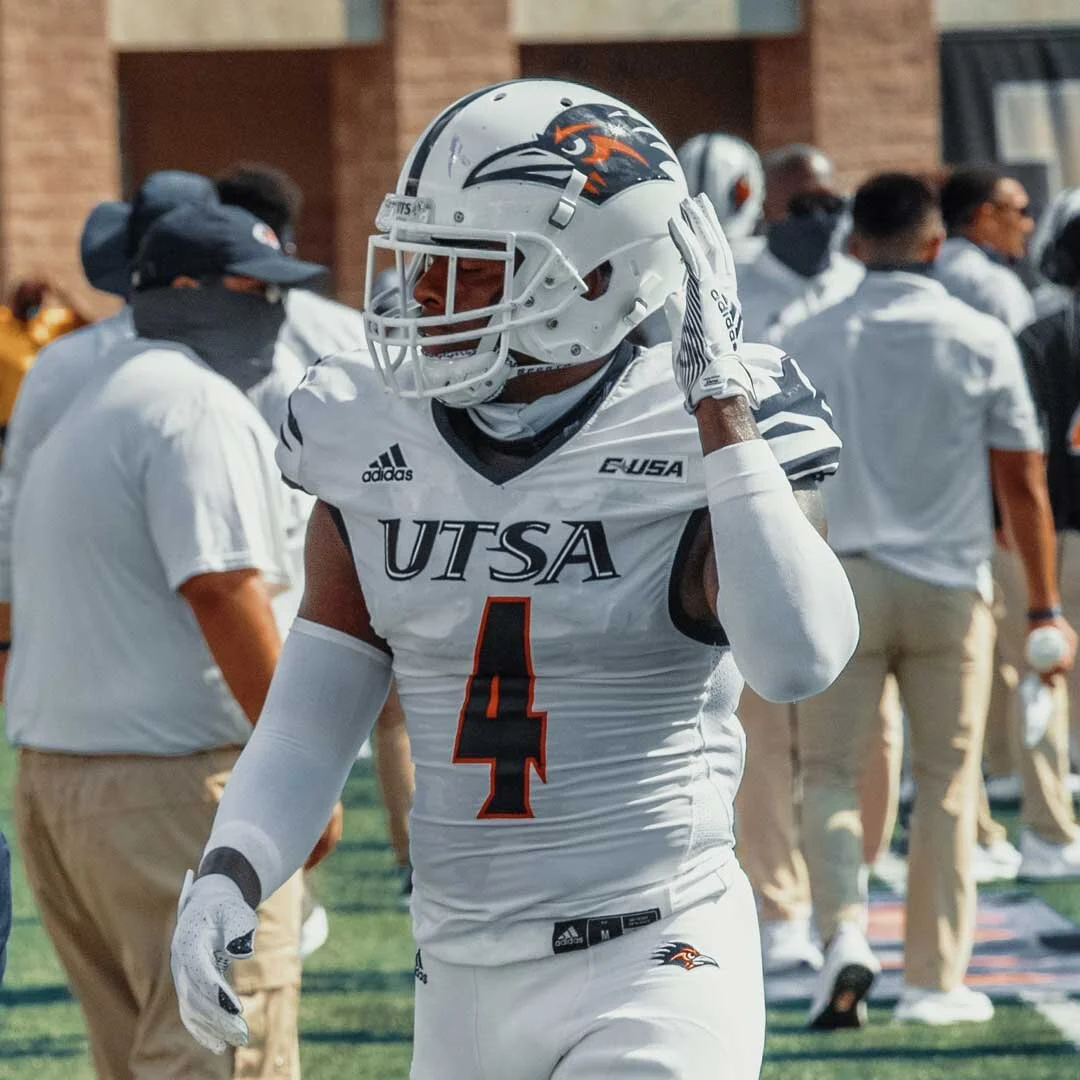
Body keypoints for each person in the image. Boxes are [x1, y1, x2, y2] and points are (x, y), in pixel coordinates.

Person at [170, 78, 858, 1079]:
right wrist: (230, 871)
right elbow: (316, 710)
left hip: (659, 950)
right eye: (420, 262)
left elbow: (800, 659)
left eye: (466, 270)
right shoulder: (367, 430)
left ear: (594, 281)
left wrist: (723, 411)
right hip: (458, 969)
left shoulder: (697, 422)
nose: (420, 299)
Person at [8, 201, 334, 1079]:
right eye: (252, 287)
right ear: (187, 290)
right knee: (214, 1054)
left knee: (142, 1057)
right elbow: (222, 588)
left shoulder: (100, 394)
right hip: (173, 791)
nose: (273, 307)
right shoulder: (193, 407)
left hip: (67, 785)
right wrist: (296, 774)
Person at [778, 172, 1075, 1028]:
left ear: (855, 241)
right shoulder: (981, 334)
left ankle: (841, 932)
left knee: (828, 775)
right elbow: (1022, 482)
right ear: (937, 242)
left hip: (841, 579)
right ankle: (935, 978)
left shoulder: (806, 334)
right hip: (950, 582)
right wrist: (1046, 605)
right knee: (947, 784)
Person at [0, 171, 219, 689]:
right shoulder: (267, 355)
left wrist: (7, 633)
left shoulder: (62, 356)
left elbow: (13, 498)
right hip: (204, 673)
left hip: (87, 643)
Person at [1013, 209, 1080, 877]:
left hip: (1049, 526)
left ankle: (1049, 829)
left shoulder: (1036, 335)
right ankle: (1049, 831)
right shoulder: (1036, 336)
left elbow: (1018, 444)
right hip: (1056, 525)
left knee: (1043, 676)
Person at [736, 147, 864, 344]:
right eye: (803, 206)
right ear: (766, 208)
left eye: (830, 204)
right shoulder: (734, 300)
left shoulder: (859, 284)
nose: (819, 218)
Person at [934, 165, 1035, 333]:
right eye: (1021, 211)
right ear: (985, 216)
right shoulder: (994, 284)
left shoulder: (918, 273)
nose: (1029, 225)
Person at [0, 277, 88, 440]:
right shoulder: (3, 322)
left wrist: (60, 293)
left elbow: (86, 324)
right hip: (8, 419)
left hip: (40, 418)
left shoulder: (48, 323)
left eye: (34, 302)